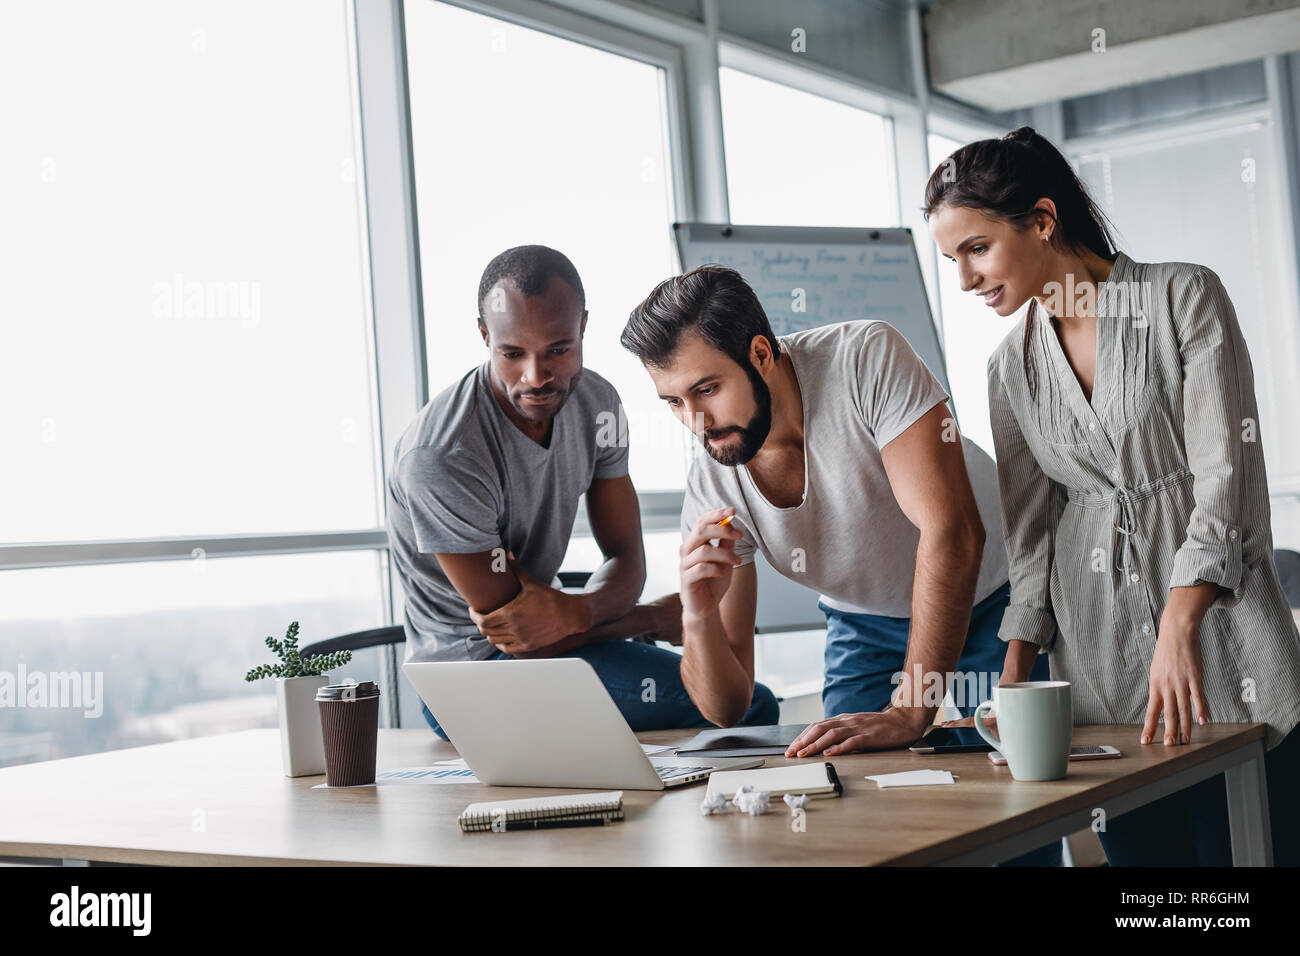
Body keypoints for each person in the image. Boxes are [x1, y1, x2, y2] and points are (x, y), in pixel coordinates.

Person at [926, 126, 1300, 866]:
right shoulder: (1009, 369)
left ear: (1040, 220)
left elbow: (1227, 481)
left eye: (976, 249)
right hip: (1098, 662)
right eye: (952, 261)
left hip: (1223, 638)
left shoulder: (1181, 297)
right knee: (1149, 895)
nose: (965, 279)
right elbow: (1032, 536)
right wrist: (1012, 689)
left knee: (1248, 864)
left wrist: (1177, 624)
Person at [620, 265, 1053, 748]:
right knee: (845, 774)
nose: (696, 421)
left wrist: (910, 712)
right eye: (674, 403)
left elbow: (953, 533)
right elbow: (729, 708)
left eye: (707, 389)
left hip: (994, 593)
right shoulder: (715, 481)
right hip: (864, 621)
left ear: (760, 353)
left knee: (1022, 766)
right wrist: (697, 616)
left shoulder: (865, 357)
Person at [386, 245, 779, 738]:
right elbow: (522, 638)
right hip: (471, 682)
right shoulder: (441, 456)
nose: (536, 377)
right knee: (751, 710)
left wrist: (577, 611)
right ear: (484, 335)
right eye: (512, 354)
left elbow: (626, 561)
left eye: (558, 349)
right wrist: (649, 618)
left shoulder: (599, 404)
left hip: (567, 646)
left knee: (724, 694)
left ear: (583, 328)